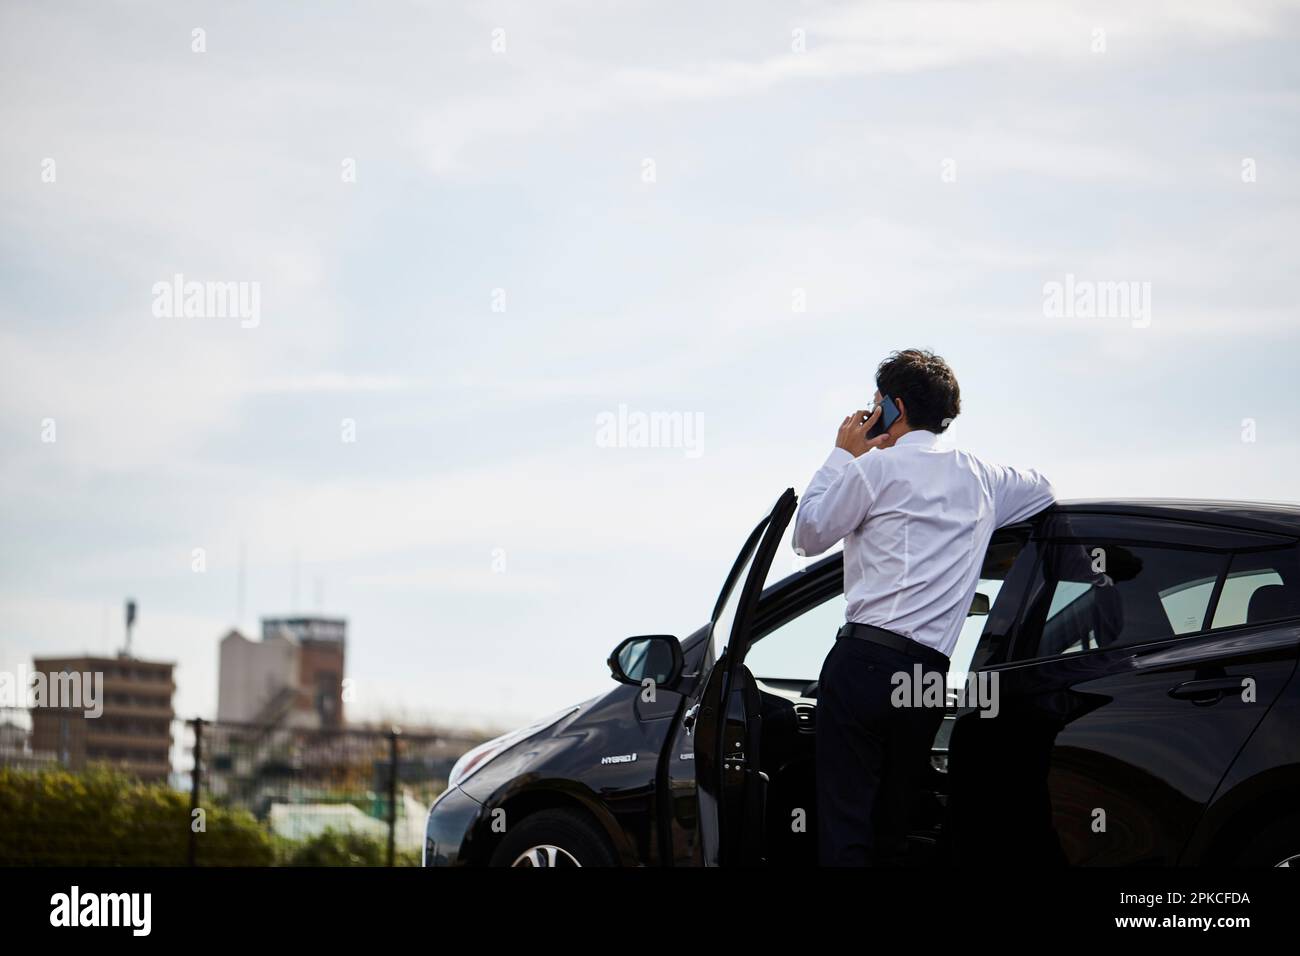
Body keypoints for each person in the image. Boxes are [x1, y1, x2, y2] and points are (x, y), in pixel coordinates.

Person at [793, 348, 1056, 866]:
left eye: (875, 407)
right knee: (894, 829)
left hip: (863, 664)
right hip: (926, 678)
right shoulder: (983, 478)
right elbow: (1044, 490)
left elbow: (807, 534)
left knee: (847, 826)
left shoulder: (873, 469)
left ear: (893, 407)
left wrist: (844, 455)